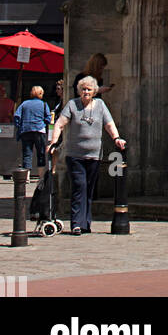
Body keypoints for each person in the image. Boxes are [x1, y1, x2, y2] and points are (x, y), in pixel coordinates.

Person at [47, 76, 125, 234]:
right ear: (79, 91)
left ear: (94, 91)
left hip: (94, 155)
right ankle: (76, 223)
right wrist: (53, 142)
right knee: (79, 186)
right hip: (75, 155)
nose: (86, 92)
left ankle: (86, 223)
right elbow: (60, 124)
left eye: (89, 89)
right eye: (83, 89)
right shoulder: (72, 105)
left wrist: (116, 138)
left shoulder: (100, 105)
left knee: (89, 189)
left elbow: (109, 124)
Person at [13, 85, 52, 181]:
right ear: (40, 94)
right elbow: (48, 118)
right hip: (39, 130)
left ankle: (26, 177)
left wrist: (20, 126)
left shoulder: (24, 104)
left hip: (26, 130)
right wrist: (43, 123)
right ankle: (41, 176)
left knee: (27, 154)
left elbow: (16, 116)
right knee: (41, 153)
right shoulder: (43, 104)